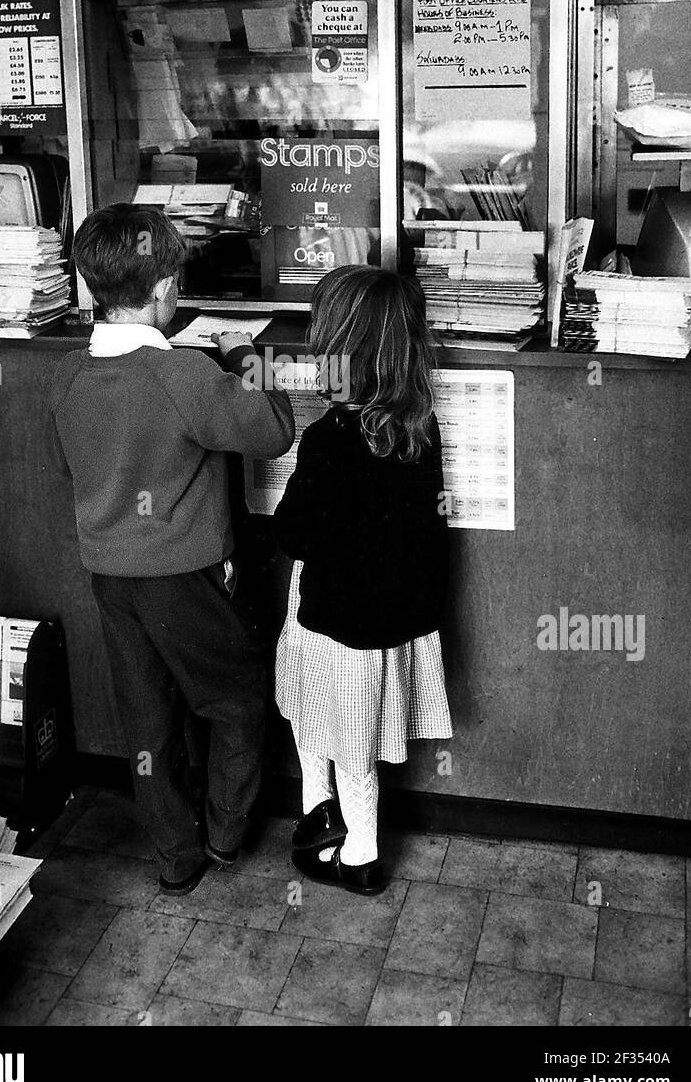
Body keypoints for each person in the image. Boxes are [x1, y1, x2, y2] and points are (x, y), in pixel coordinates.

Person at [47, 204, 294, 895]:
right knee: (236, 700)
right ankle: (223, 835)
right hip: (183, 577)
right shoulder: (183, 375)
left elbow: (68, 465)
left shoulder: (68, 375)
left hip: (109, 575)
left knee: (147, 717)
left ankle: (173, 856)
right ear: (163, 291)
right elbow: (272, 427)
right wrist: (241, 352)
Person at [273, 266, 453, 896]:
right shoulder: (419, 431)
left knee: (321, 732)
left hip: (332, 622)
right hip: (391, 624)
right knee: (354, 744)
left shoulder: (326, 440)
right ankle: (346, 840)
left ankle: (351, 852)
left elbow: (293, 533)